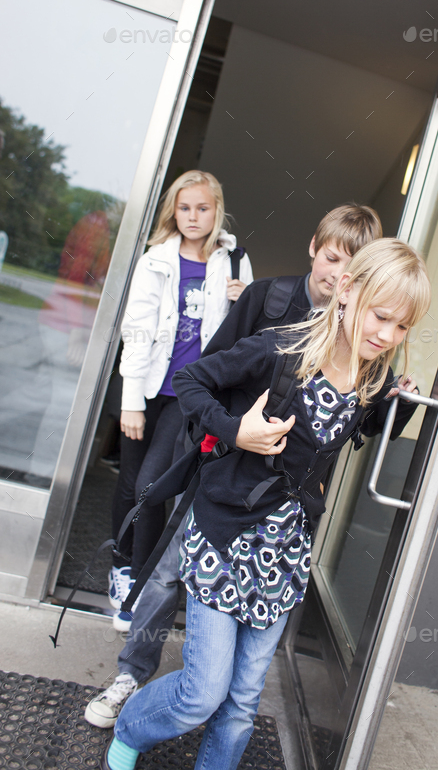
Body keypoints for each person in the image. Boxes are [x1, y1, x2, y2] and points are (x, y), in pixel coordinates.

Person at [98, 237, 431, 770]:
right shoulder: (282, 348)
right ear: (346, 289)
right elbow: (191, 380)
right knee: (203, 693)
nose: (386, 336)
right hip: (226, 536)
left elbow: (358, 427)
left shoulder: (374, 376)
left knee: (241, 703)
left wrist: (399, 403)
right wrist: (236, 431)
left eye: (401, 327)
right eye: (380, 316)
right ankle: (133, 729)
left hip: (285, 552)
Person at [108, 170, 253, 632]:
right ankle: (122, 567)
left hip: (186, 396)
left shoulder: (235, 260)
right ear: (174, 209)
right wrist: (130, 401)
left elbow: (248, 340)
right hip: (146, 387)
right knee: (131, 484)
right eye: (184, 207)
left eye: (203, 208)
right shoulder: (157, 259)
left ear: (217, 209)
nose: (193, 217)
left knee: (151, 487)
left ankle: (141, 585)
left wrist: (244, 299)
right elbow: (136, 330)